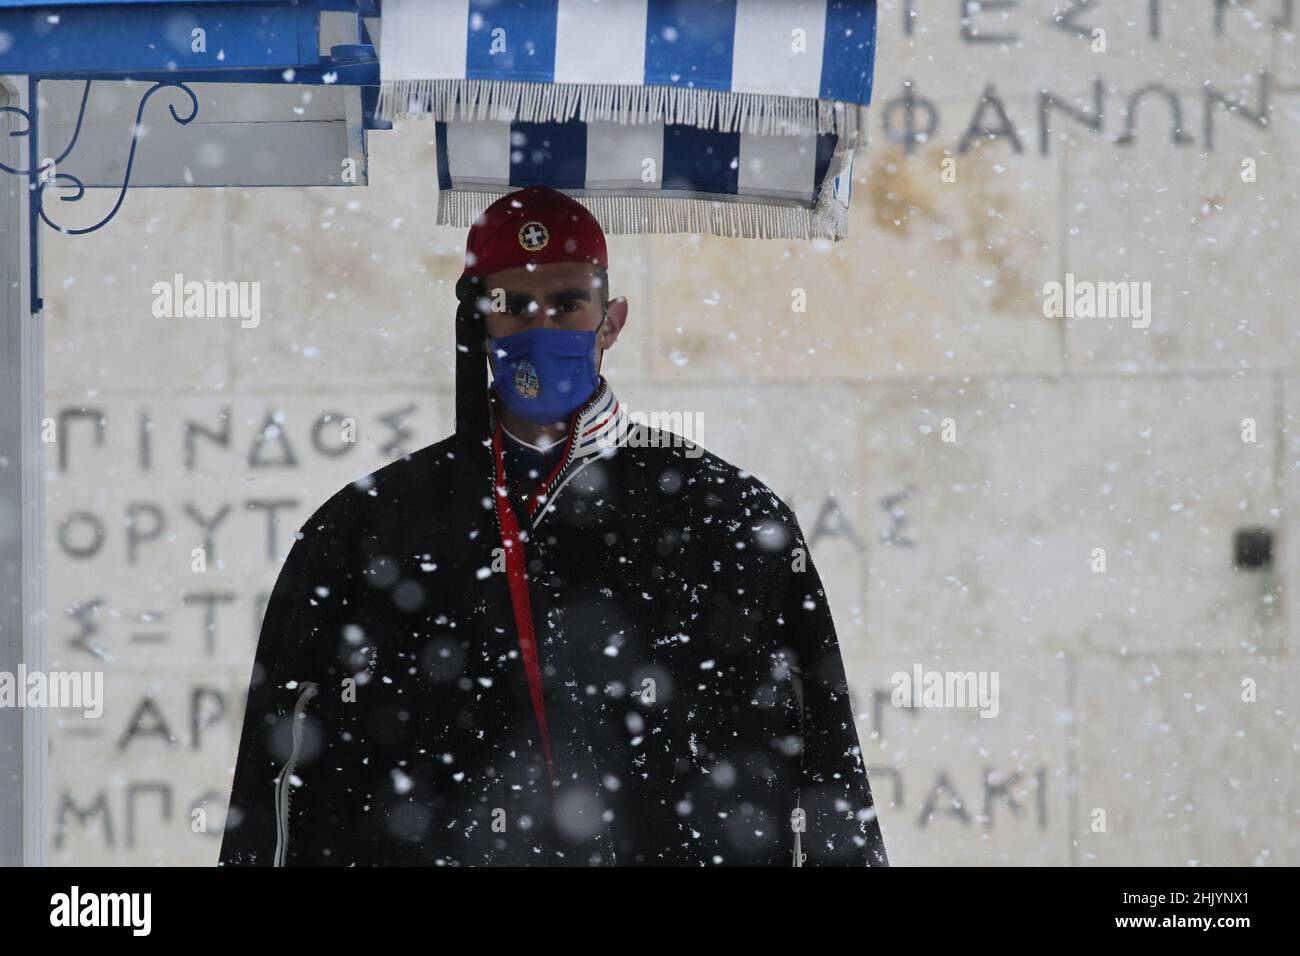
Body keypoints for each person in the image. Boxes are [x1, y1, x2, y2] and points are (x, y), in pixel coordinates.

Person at [218, 185, 888, 866]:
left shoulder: (729, 515)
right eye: (513, 306)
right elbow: (275, 783)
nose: (542, 326)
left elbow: (824, 760)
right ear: (477, 322)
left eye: (568, 303)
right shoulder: (365, 528)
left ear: (613, 319)